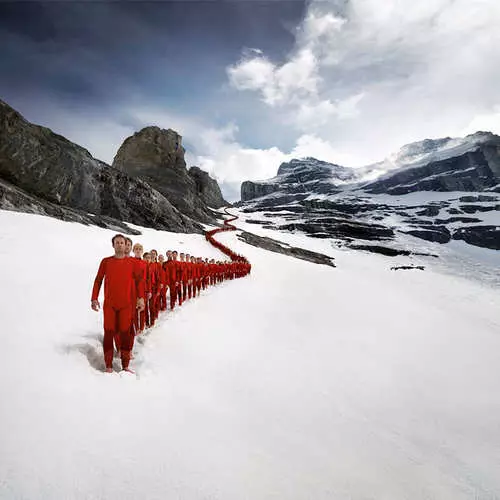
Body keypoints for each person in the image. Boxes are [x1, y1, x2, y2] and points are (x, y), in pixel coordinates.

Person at [91, 234, 145, 373]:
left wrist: (140, 298)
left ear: (126, 245)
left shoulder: (132, 263)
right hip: (110, 305)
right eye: (117, 242)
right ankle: (108, 365)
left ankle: (125, 365)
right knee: (109, 333)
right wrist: (94, 298)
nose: (120, 244)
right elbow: (98, 280)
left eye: (122, 242)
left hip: (126, 305)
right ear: (113, 245)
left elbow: (139, 281)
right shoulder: (106, 262)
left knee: (125, 334)